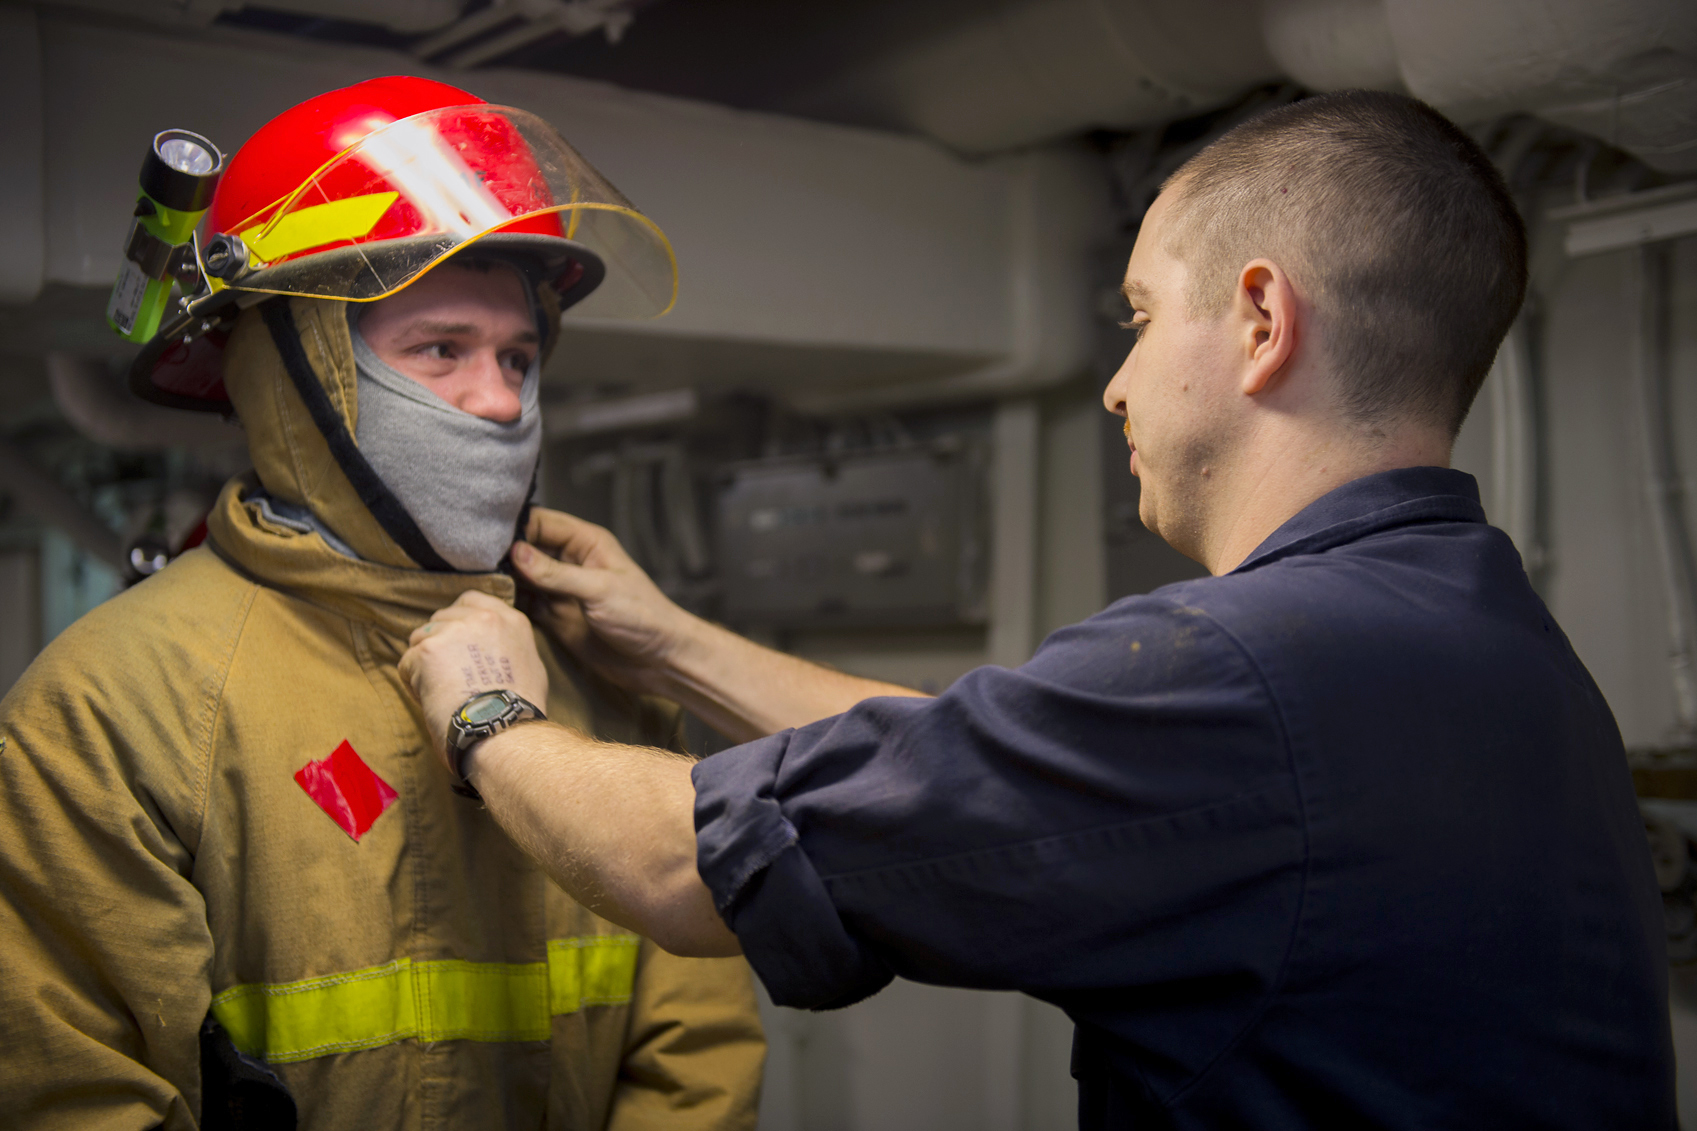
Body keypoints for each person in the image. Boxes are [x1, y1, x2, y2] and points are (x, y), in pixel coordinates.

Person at [400, 89, 1678, 1128]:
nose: (1116, 385)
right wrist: (669, 644)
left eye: (1135, 319)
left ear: (1257, 319)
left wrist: (484, 705)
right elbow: (972, 760)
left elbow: (680, 862)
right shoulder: (1489, 647)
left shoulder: (1241, 671)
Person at [0, 77, 764, 1130]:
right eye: (441, 349)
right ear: (296, 374)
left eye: (518, 357)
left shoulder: (599, 666)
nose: (499, 401)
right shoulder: (111, 703)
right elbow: (75, 1096)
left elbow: (697, 1051)